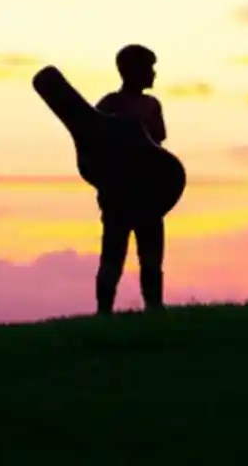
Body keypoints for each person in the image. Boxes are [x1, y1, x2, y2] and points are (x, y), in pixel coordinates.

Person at [93, 44, 167, 315]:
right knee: (113, 256)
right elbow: (92, 142)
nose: (153, 74)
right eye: (149, 68)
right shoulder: (110, 105)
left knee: (151, 259)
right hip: (119, 196)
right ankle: (104, 311)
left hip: (149, 195)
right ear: (132, 70)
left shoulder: (152, 105)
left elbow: (158, 144)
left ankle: (154, 307)